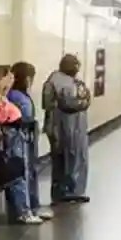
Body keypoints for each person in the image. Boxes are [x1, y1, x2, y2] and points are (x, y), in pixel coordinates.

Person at [0, 65, 36, 223]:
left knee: (19, 171)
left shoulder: (0, 95)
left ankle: (24, 209)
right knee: (17, 171)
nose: (11, 82)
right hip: (5, 137)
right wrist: (8, 108)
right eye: (8, 78)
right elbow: (1, 116)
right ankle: (23, 211)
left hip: (11, 135)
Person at [41, 54, 91, 204]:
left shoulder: (52, 81)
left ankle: (60, 190)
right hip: (71, 127)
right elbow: (81, 101)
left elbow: (47, 104)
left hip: (57, 126)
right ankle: (72, 190)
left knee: (60, 160)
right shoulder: (73, 83)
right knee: (74, 157)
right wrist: (83, 101)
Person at [6, 62, 51, 223]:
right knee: (22, 173)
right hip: (19, 138)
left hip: (26, 137)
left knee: (30, 172)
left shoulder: (19, 95)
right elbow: (19, 117)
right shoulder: (15, 96)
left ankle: (32, 207)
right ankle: (24, 210)